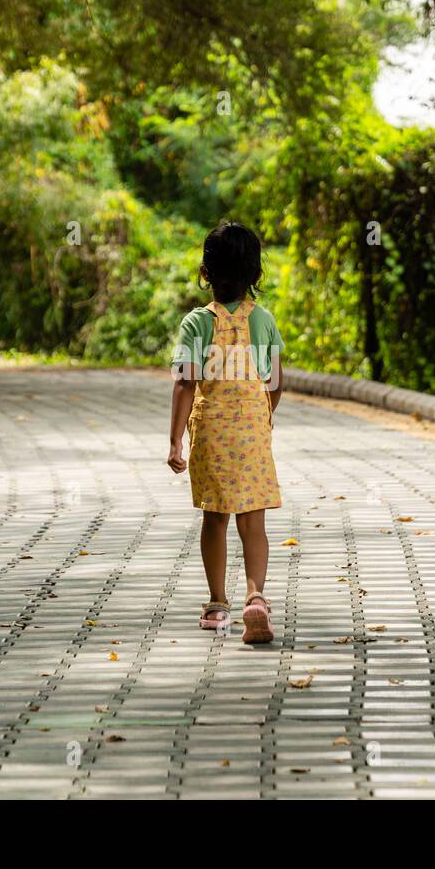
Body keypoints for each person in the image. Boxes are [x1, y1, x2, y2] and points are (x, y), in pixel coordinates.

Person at [167, 222, 284, 644]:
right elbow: (273, 380)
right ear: (256, 276)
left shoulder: (197, 323)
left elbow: (185, 382)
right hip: (252, 430)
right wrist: (262, 418)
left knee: (214, 518)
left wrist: (175, 439)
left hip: (212, 430)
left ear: (205, 273)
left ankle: (218, 604)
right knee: (253, 521)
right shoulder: (264, 321)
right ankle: (256, 596)